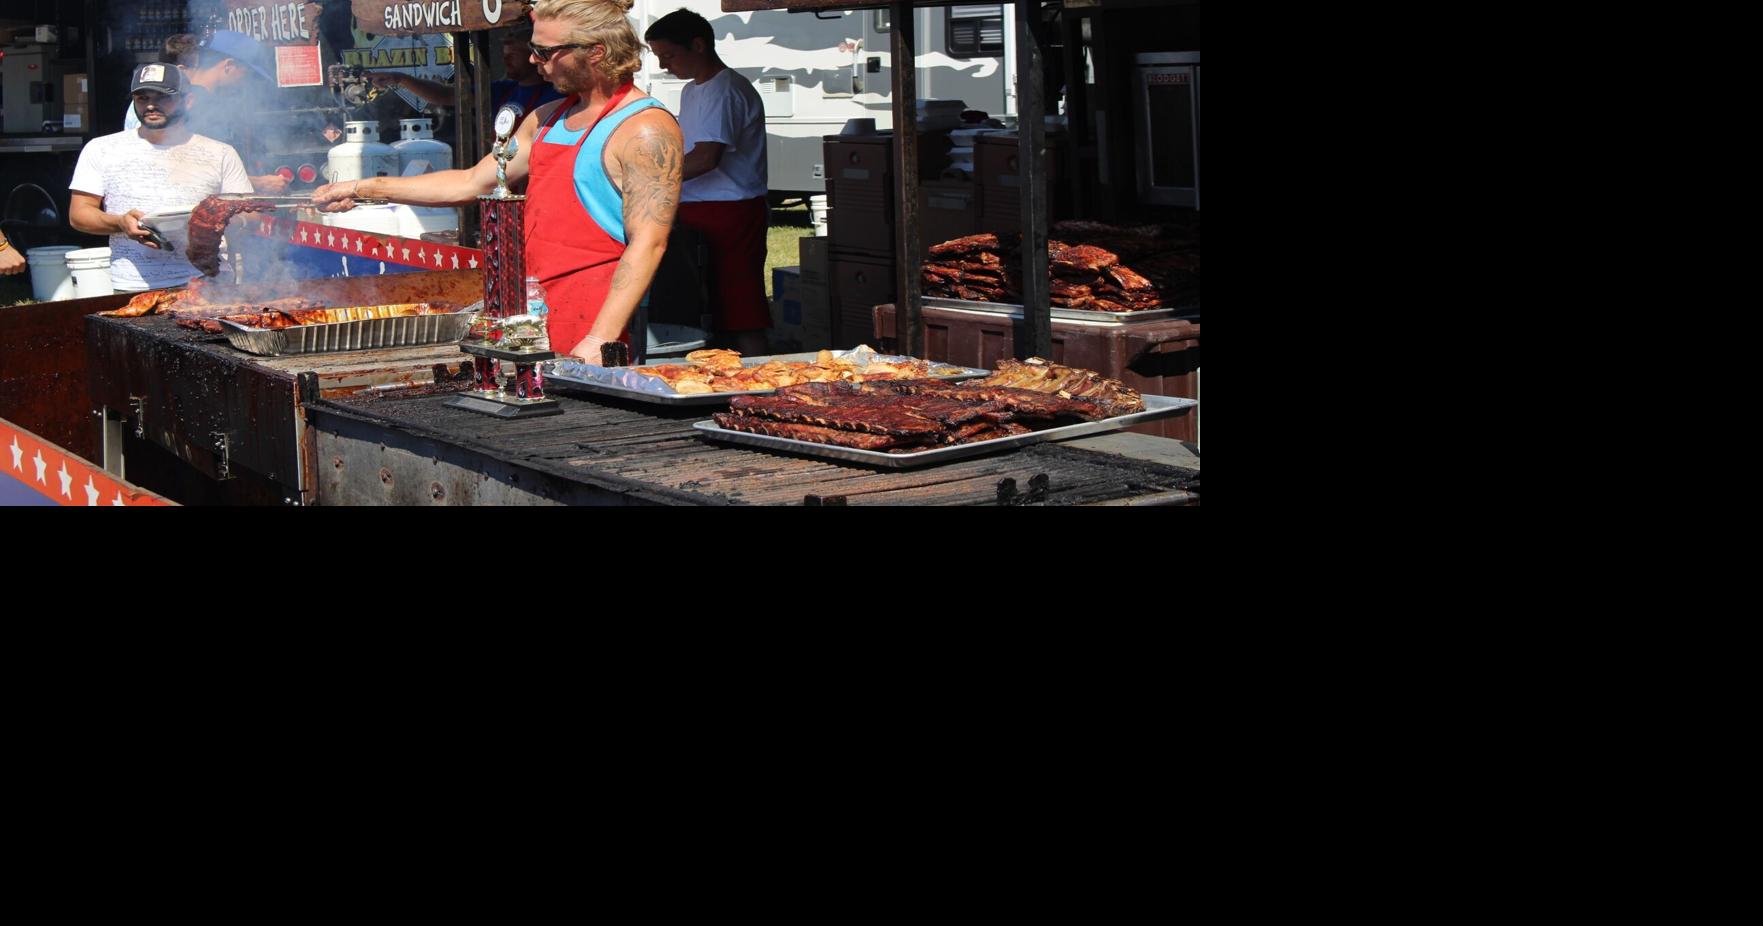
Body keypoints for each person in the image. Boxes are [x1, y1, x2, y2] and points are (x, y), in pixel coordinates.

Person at [312, 0, 682, 363]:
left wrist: (600, 338)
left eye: (544, 51)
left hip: (598, 316)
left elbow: (648, 243)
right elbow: (470, 182)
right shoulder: (547, 118)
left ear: (596, 52)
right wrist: (364, 188)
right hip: (537, 308)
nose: (534, 59)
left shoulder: (645, 128)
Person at [645, 8, 769, 356]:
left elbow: (706, 157)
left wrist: (651, 180)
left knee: (741, 307)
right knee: (702, 305)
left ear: (698, 45)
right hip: (697, 208)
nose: (664, 65)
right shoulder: (691, 91)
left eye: (668, 55)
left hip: (731, 210)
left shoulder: (726, 89)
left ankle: (762, 376)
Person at [69, 63, 253, 291]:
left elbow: (249, 217)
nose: (151, 105)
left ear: (189, 101)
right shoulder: (101, 149)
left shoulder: (221, 153)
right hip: (134, 287)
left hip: (209, 283)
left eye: (163, 97)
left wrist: (211, 222)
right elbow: (79, 215)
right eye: (142, 98)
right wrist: (120, 223)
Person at [122, 30, 289, 194]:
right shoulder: (190, 103)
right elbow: (186, 166)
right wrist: (260, 183)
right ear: (228, 66)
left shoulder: (164, 99)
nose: (247, 81)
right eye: (247, 73)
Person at [373, 24, 565, 117]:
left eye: (513, 56)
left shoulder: (558, 95)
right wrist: (399, 79)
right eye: (505, 56)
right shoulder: (503, 90)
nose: (507, 62)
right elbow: (446, 95)